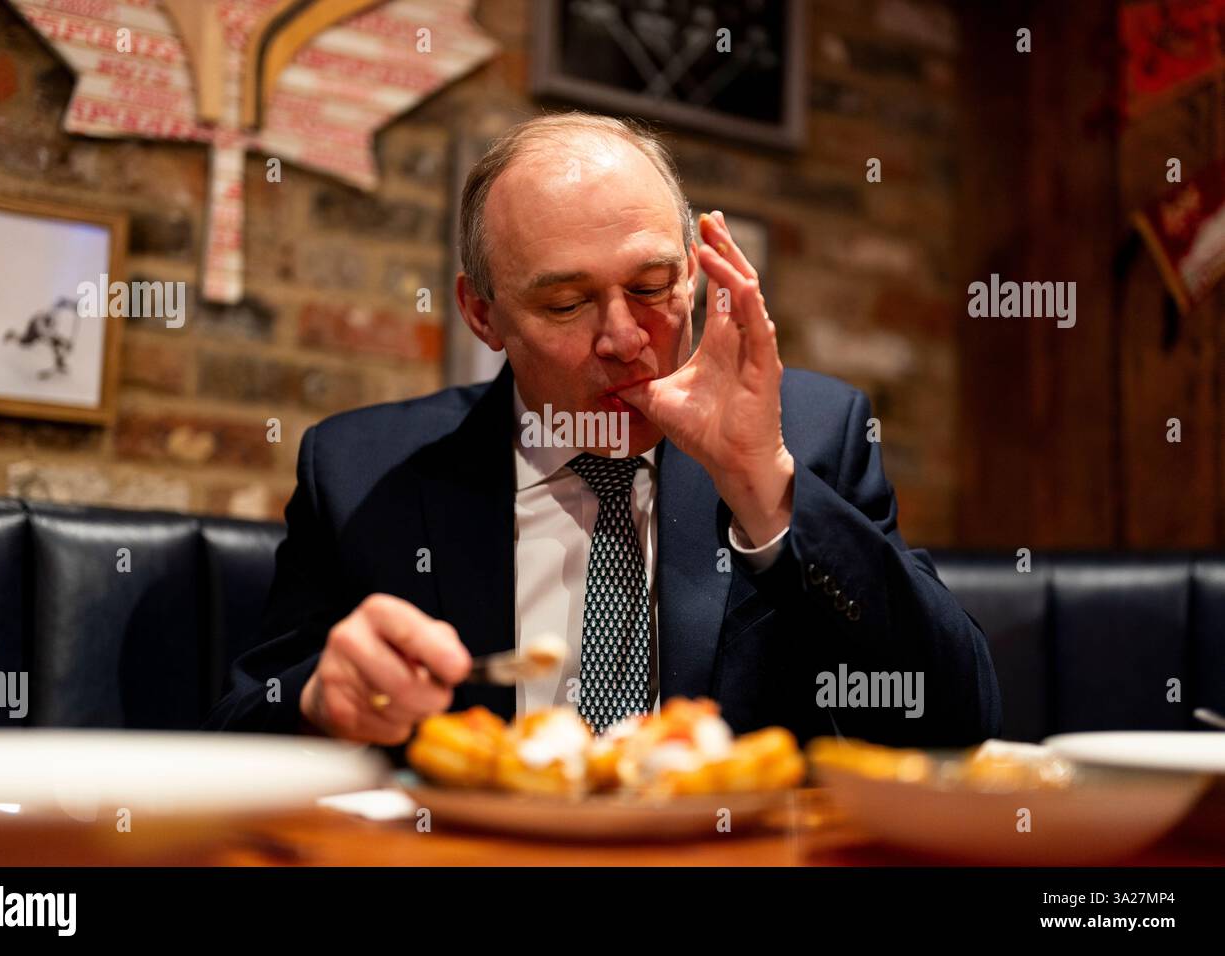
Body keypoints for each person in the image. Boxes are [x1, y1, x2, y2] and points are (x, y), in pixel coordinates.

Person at [204, 112, 1001, 756]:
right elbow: (244, 724)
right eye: (565, 305)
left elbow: (955, 721)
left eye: (652, 286)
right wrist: (320, 701)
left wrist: (766, 491)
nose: (624, 338)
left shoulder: (814, 436)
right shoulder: (361, 472)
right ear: (482, 313)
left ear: (694, 274)